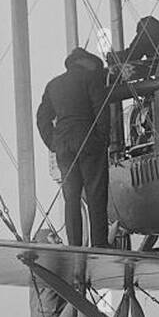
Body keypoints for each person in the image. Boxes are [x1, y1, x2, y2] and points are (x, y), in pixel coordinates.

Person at [36, 48, 110, 248]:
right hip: (88, 141)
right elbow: (101, 111)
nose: (96, 68)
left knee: (71, 198)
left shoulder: (53, 85)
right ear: (83, 62)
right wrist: (103, 139)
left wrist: (52, 142)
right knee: (96, 195)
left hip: (63, 146)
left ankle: (75, 246)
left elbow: (42, 117)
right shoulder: (90, 80)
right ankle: (100, 245)